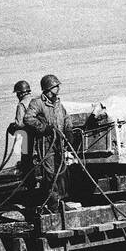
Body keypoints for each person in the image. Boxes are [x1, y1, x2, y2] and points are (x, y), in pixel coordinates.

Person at [22, 74, 79, 207]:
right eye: (55, 86)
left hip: (60, 142)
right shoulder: (37, 103)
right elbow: (28, 118)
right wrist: (43, 128)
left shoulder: (58, 103)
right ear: (48, 88)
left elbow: (66, 118)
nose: (58, 88)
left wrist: (69, 130)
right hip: (46, 143)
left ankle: (62, 199)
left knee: (62, 171)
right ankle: (53, 202)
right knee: (50, 173)